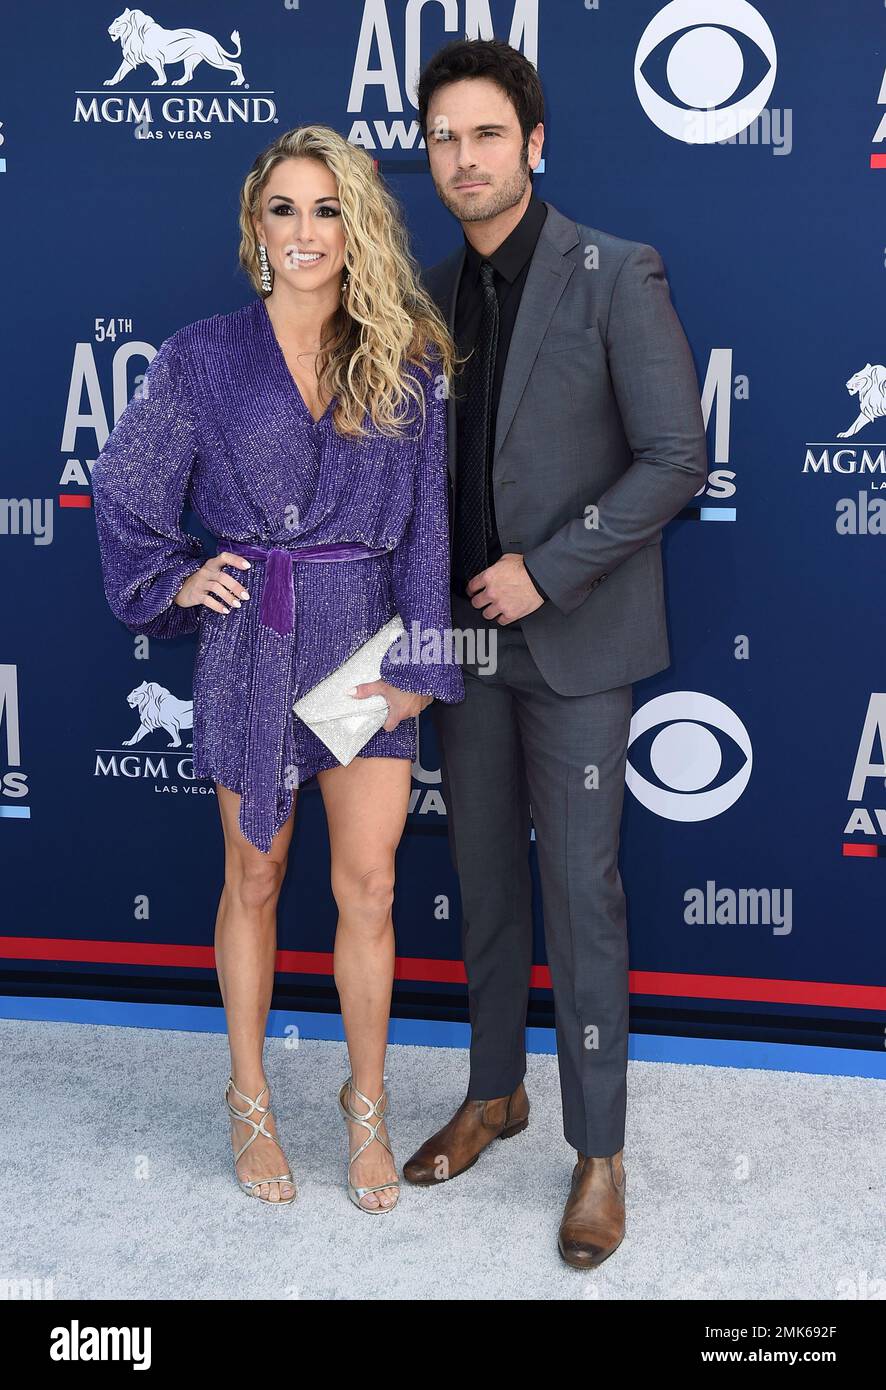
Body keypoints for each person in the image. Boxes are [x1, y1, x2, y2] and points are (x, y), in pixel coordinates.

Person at [92, 125, 464, 1213]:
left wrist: (422, 663)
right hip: (255, 637)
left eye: (326, 209)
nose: (305, 231)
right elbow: (127, 486)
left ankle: (367, 1105)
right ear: (256, 227)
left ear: (356, 228)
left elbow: (433, 527)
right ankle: (249, 1098)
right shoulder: (202, 356)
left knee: (371, 885)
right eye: (284, 210)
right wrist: (176, 579)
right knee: (252, 875)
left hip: (364, 643)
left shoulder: (406, 355)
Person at [402, 39, 709, 1266]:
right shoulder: (426, 294)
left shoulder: (613, 272)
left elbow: (674, 460)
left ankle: (597, 1152)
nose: (464, 159)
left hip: (575, 638)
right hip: (458, 644)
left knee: (580, 898)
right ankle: (495, 1091)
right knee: (483, 879)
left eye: (486, 135)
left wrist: (549, 565)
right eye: (443, 140)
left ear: (533, 144)